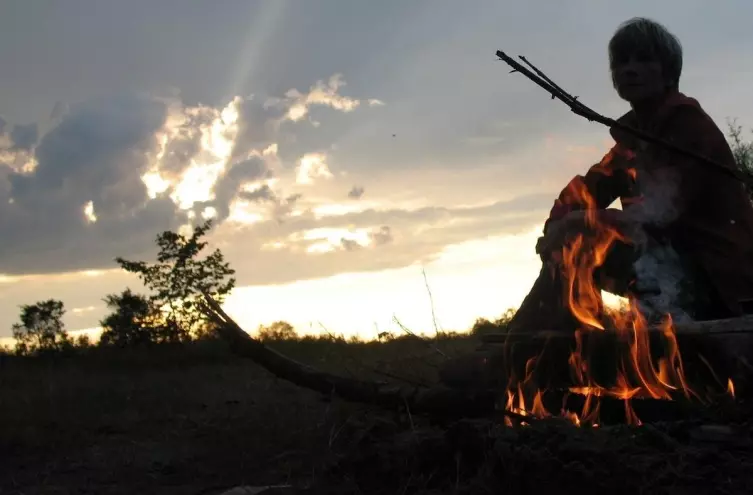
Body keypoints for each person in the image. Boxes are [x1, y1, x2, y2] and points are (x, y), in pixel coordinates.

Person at [440, 17, 753, 388]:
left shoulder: (689, 128)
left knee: (582, 240)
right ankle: (531, 358)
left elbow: (663, 218)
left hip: (716, 283)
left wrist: (585, 226)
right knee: (570, 247)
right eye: (621, 62)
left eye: (643, 60)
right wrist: (558, 226)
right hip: (663, 274)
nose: (629, 70)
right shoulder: (633, 139)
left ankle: (514, 361)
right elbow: (584, 193)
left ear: (668, 73)